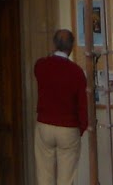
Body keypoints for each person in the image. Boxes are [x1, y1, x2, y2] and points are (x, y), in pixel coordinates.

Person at [32, 28, 88, 185]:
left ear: (54, 44)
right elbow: (82, 104)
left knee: (44, 174)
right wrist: (81, 127)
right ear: (71, 47)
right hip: (68, 128)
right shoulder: (77, 72)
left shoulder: (41, 65)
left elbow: (41, 68)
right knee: (66, 177)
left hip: (45, 124)